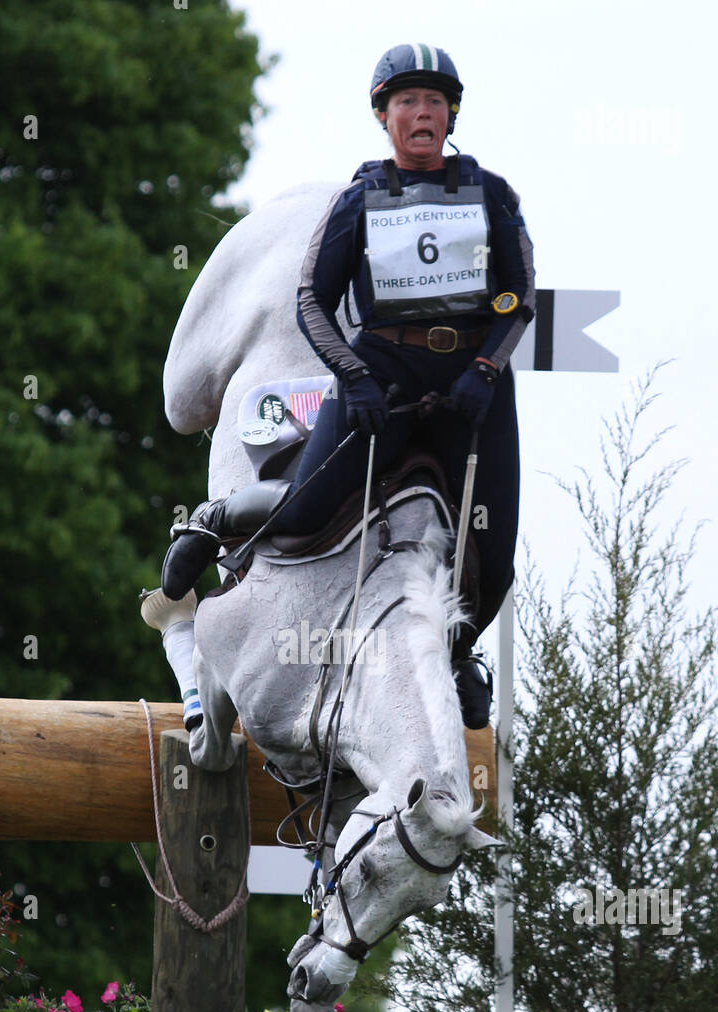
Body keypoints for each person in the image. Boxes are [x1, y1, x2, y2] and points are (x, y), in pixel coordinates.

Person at [161, 43, 535, 729]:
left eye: (432, 103)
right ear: (384, 116)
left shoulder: (491, 196)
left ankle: (457, 655)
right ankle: (212, 523)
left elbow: (517, 296)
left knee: (493, 563)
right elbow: (312, 300)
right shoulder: (361, 200)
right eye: (406, 103)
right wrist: (354, 376)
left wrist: (486, 369)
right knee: (304, 510)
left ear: (451, 114)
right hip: (384, 377)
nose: (421, 115)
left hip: (470, 390)